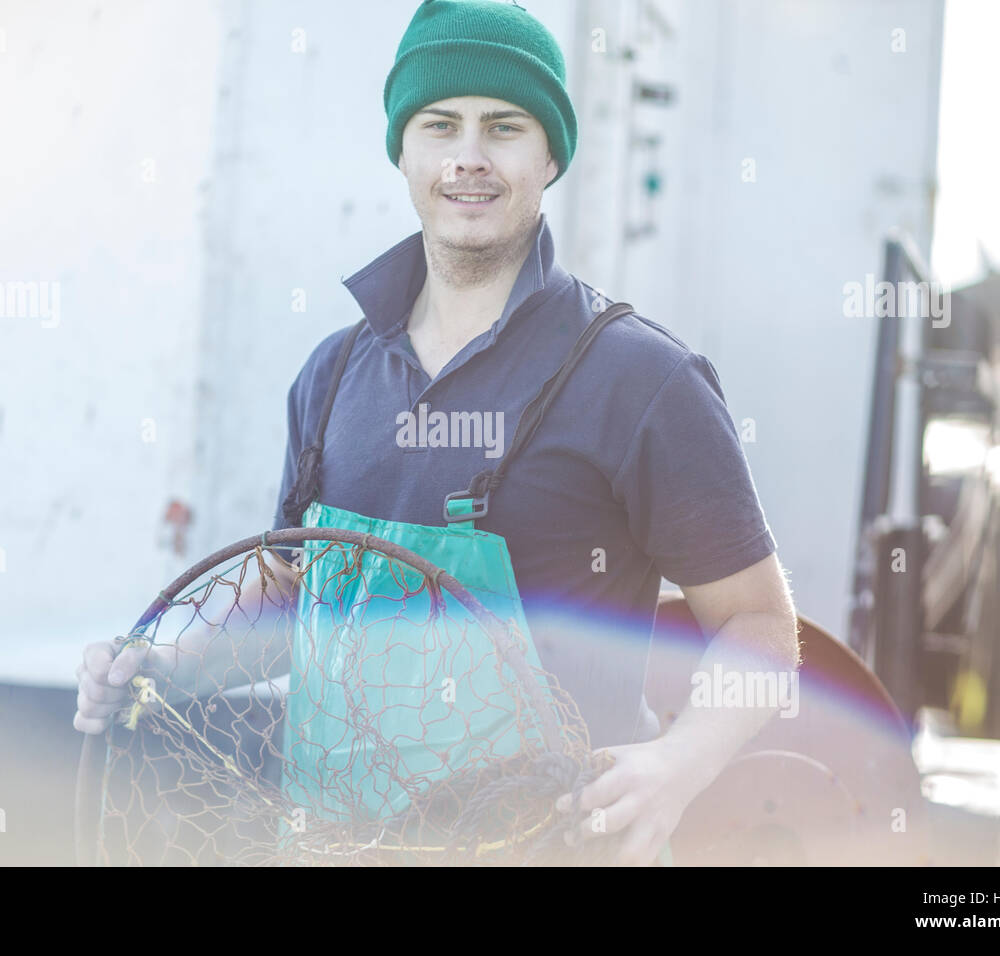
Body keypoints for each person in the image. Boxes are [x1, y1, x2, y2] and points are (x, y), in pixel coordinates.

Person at [76, 0, 800, 866]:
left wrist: (675, 767)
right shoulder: (333, 376)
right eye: (439, 125)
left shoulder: (640, 381)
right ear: (404, 150)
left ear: (550, 155)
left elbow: (760, 626)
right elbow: (288, 593)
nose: (468, 158)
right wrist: (162, 666)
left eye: (504, 126)